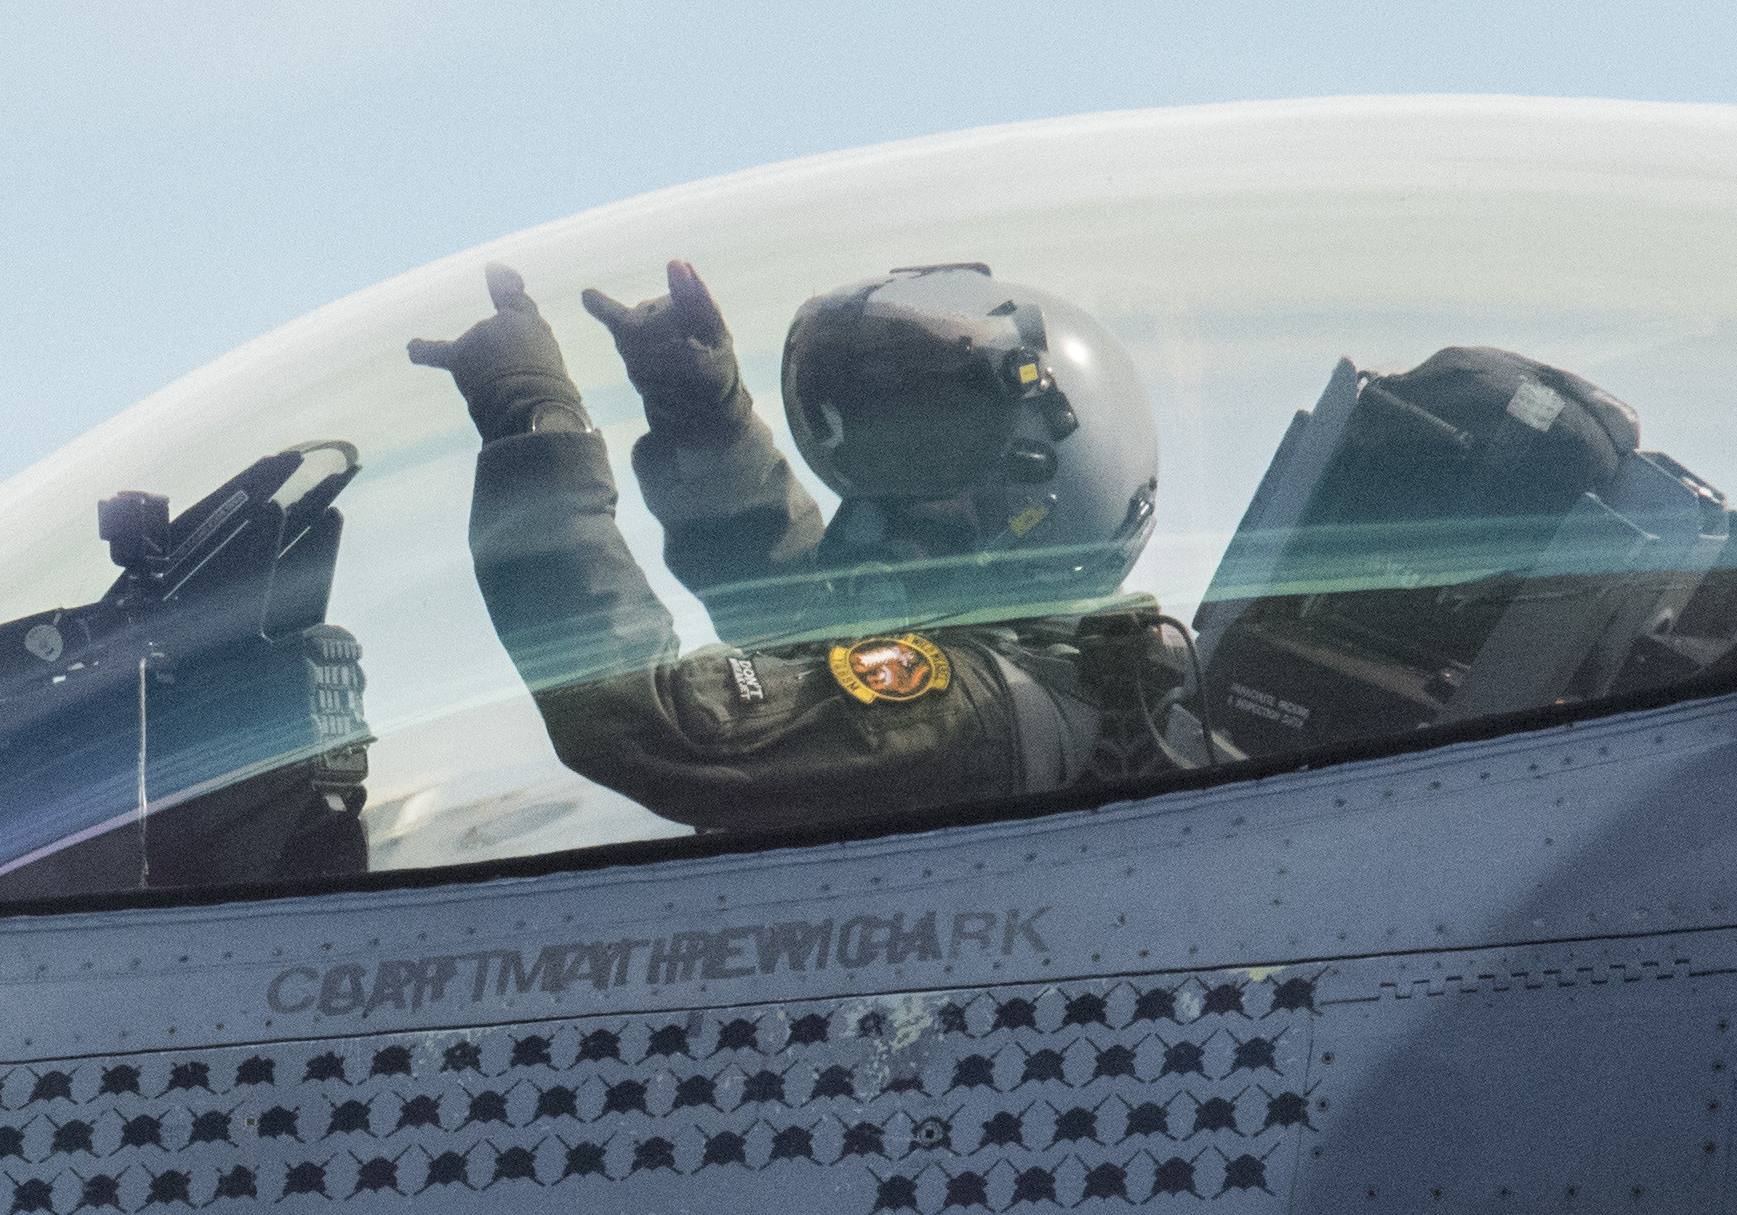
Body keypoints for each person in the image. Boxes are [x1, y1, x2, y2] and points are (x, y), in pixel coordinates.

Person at [407, 255, 1205, 837]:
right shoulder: (1045, 671)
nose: (876, 508)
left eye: (925, 462)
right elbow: (797, 627)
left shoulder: (976, 710)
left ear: (1042, 495)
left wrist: (535, 429)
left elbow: (660, 727)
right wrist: (704, 421)